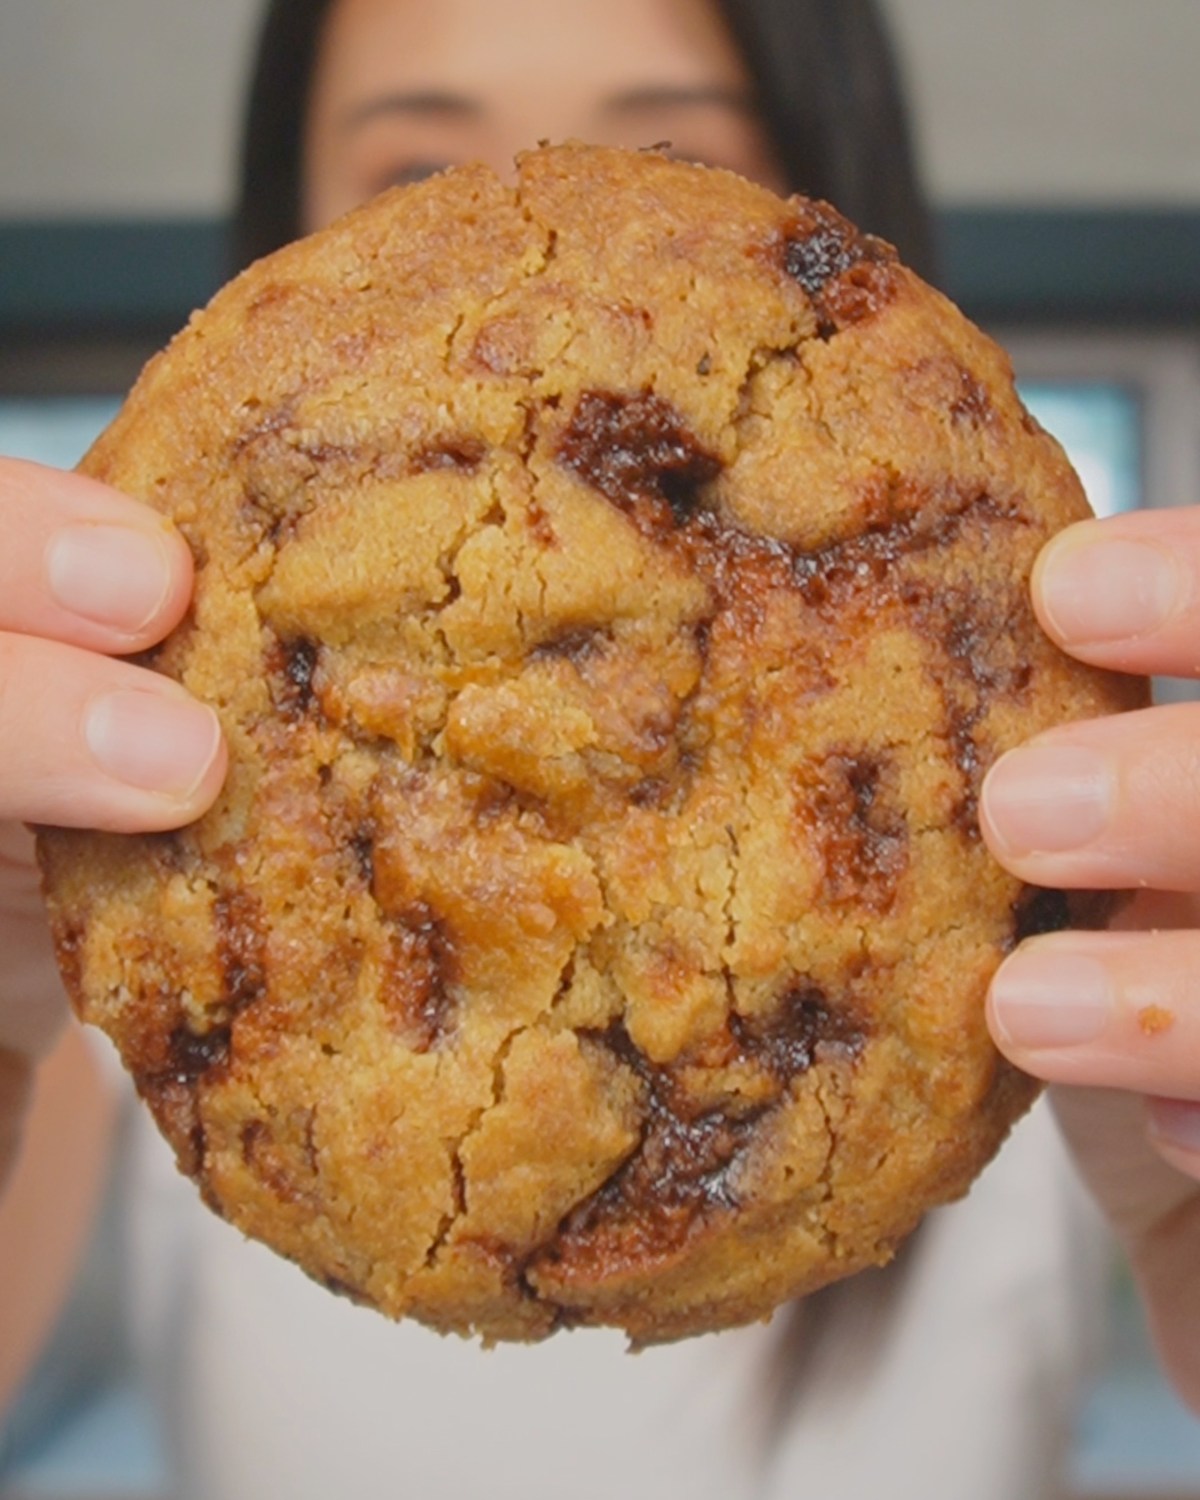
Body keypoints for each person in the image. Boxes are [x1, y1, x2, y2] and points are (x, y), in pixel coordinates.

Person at [2, 0, 1199, 1494]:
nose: (543, 239)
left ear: (831, 231)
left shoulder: (1070, 969)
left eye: (663, 153)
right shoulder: (100, 951)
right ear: (284, 259)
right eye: (411, 181)